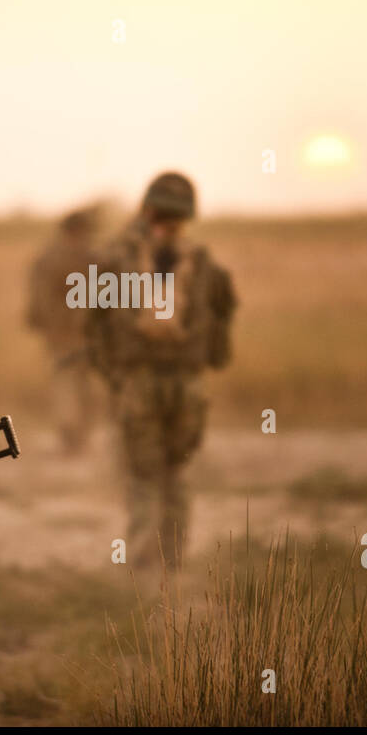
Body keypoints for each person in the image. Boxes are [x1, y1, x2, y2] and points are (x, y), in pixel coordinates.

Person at [85, 173, 236, 570]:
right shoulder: (200, 262)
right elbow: (221, 329)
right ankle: (169, 565)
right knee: (173, 473)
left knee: (146, 476)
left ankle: (146, 569)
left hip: (144, 382)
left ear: (146, 210)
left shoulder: (116, 259)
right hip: (182, 382)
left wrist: (115, 376)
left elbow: (94, 328)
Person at [25, 207, 100, 454]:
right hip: (82, 330)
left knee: (66, 382)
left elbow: (38, 299)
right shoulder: (90, 257)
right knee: (79, 382)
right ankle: (77, 436)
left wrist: (42, 323)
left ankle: (72, 435)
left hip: (60, 331)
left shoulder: (47, 257)